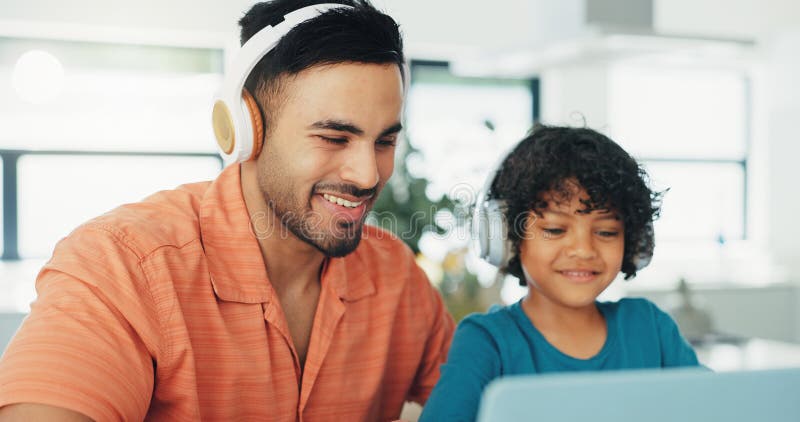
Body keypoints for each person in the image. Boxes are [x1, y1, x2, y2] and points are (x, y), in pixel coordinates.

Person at [0, 1, 454, 420]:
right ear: (245, 130)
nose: (367, 175)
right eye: (334, 138)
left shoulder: (394, 275)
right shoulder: (121, 266)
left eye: (385, 141)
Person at [420, 125, 700, 421]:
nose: (583, 249)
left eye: (606, 231)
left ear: (632, 242)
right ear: (505, 236)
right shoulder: (488, 342)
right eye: (555, 229)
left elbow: (714, 407)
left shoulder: (650, 329)